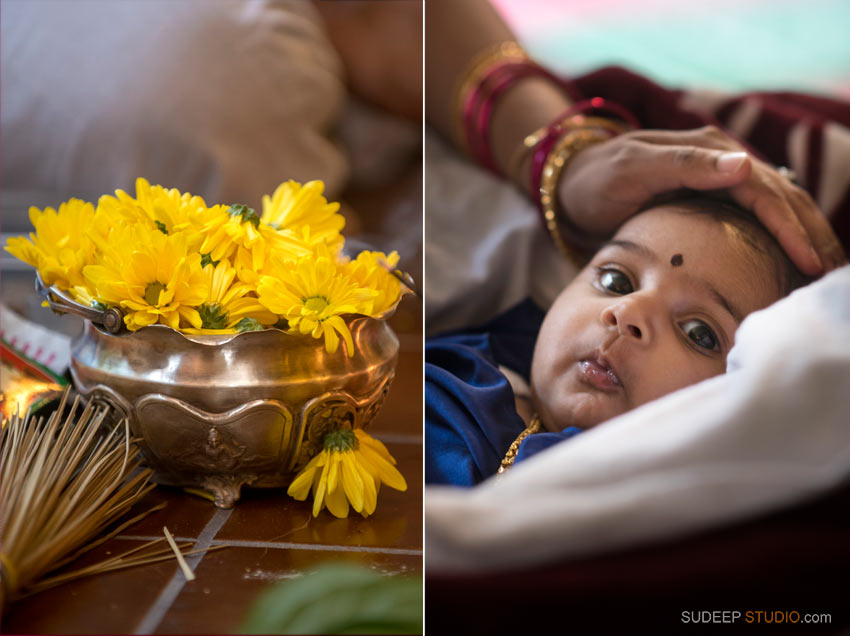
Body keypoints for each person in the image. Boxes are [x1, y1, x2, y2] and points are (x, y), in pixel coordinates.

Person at [426, 195, 810, 486]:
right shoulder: (452, 386)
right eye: (616, 282)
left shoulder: (675, 500)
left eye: (699, 334)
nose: (627, 314)